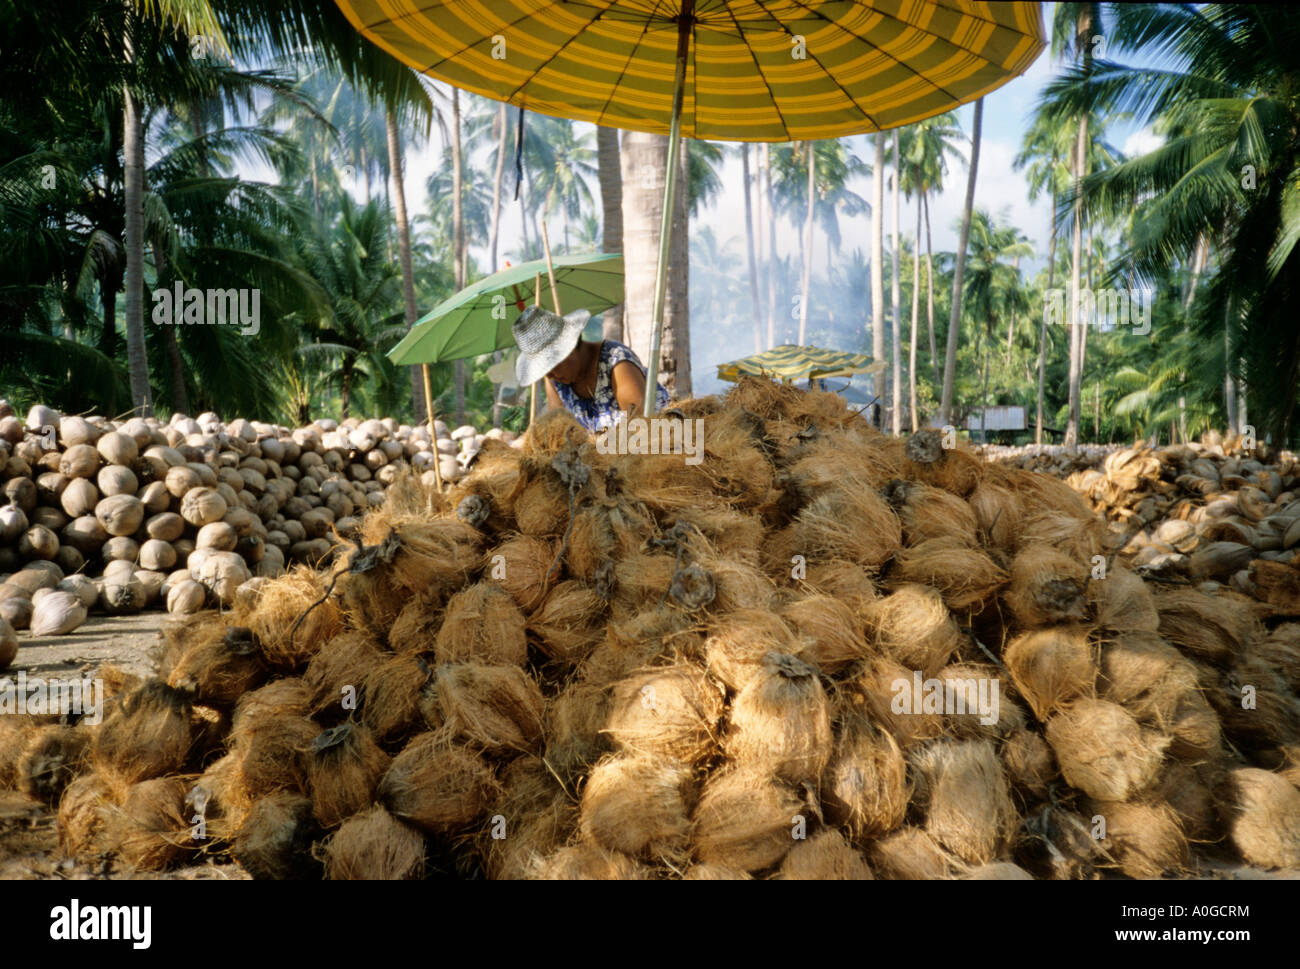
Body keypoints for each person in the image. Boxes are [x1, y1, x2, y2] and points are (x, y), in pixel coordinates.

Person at [513, 305, 670, 432]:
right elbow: (559, 430)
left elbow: (642, 425)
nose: (549, 375)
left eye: (552, 365)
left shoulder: (616, 361)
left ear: (571, 347)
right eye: (544, 369)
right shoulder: (555, 381)